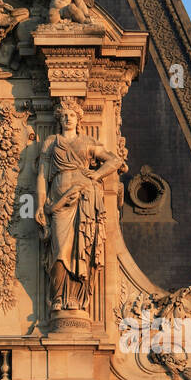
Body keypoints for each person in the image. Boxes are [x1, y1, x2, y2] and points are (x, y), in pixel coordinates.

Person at [35, 98, 124, 312]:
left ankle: (73, 297)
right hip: (58, 202)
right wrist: (39, 205)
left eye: (72, 115)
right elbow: (41, 176)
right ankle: (58, 296)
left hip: (84, 199)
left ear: (78, 118)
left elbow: (115, 161)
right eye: (64, 115)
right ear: (58, 118)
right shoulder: (51, 142)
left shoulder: (86, 142)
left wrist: (96, 175)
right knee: (59, 249)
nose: (68, 118)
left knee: (80, 249)